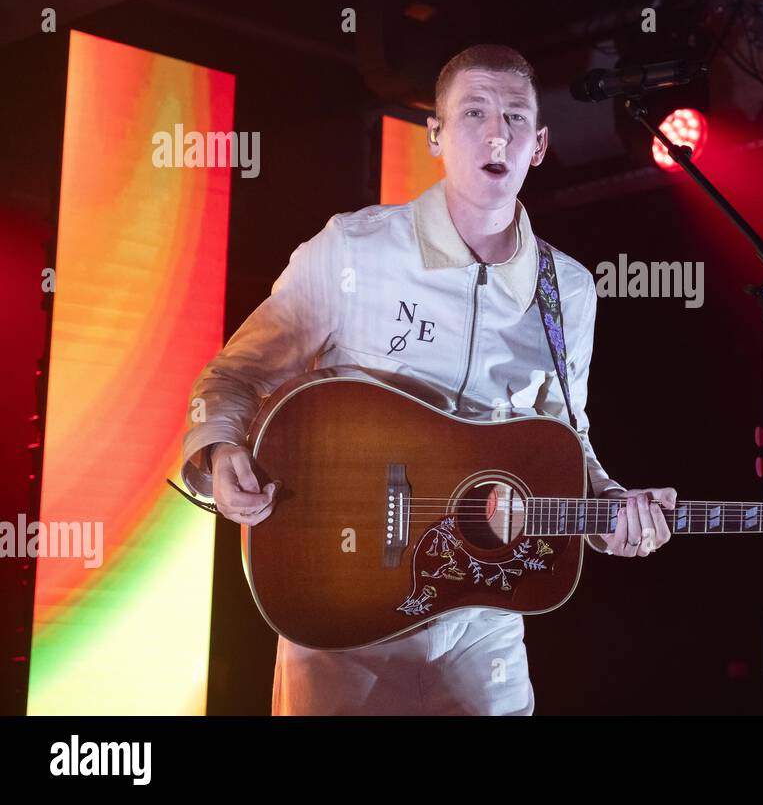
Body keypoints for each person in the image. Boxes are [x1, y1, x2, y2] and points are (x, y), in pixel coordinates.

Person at [180, 44, 676, 715]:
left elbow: (565, 435)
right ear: (436, 134)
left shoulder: (571, 291)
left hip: (481, 612)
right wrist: (220, 450)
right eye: (473, 113)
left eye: (515, 117)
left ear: (539, 145)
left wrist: (609, 508)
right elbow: (236, 372)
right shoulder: (354, 249)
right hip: (341, 602)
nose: (496, 132)